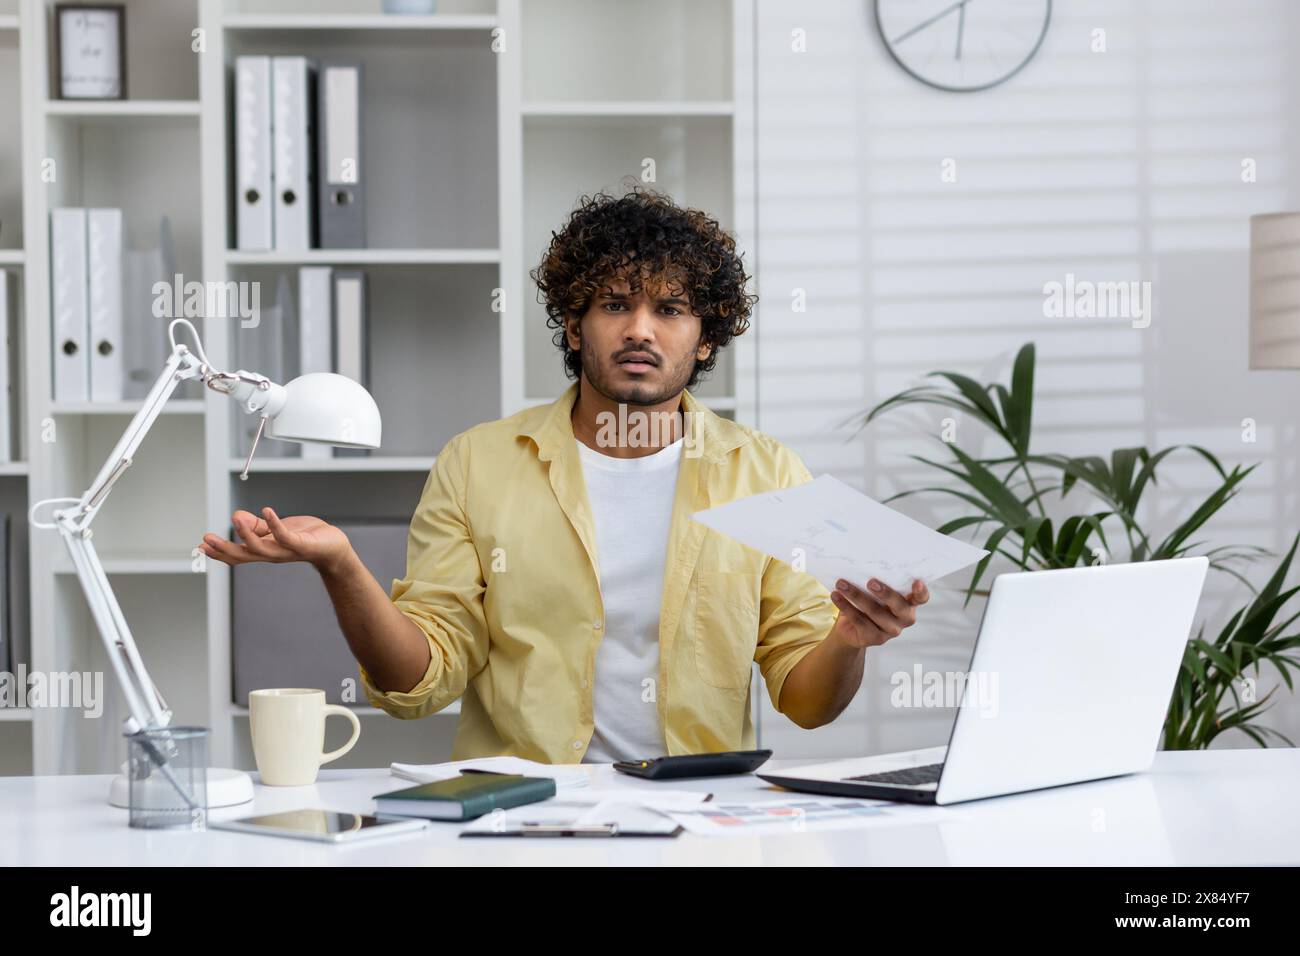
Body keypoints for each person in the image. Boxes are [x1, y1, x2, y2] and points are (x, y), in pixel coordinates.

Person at [199, 186, 929, 763]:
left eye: (669, 309)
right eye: (615, 304)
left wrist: (848, 640)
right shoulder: (478, 463)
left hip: (701, 819)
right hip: (523, 821)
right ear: (575, 327)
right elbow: (417, 685)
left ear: (705, 340)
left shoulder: (767, 473)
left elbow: (807, 702)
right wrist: (342, 567)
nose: (640, 329)